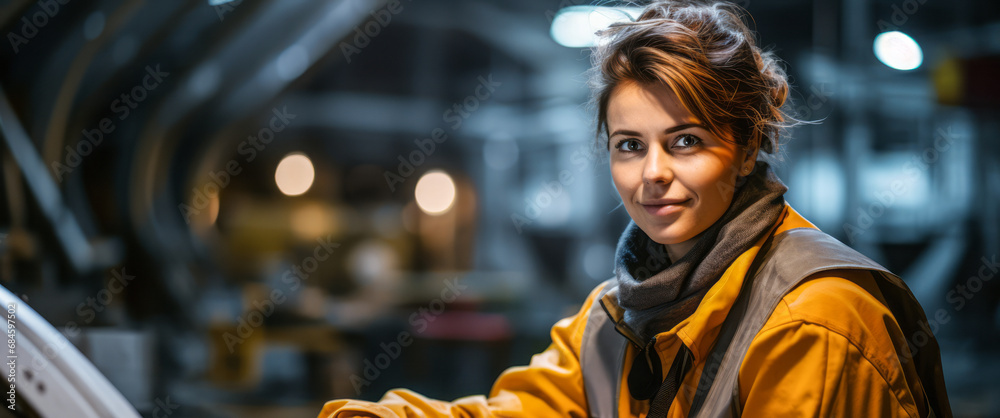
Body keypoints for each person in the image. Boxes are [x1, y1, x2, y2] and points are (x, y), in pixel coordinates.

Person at [319, 0, 953, 416]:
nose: (653, 173)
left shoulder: (814, 323)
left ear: (747, 144)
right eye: (629, 145)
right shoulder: (616, 318)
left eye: (686, 141)